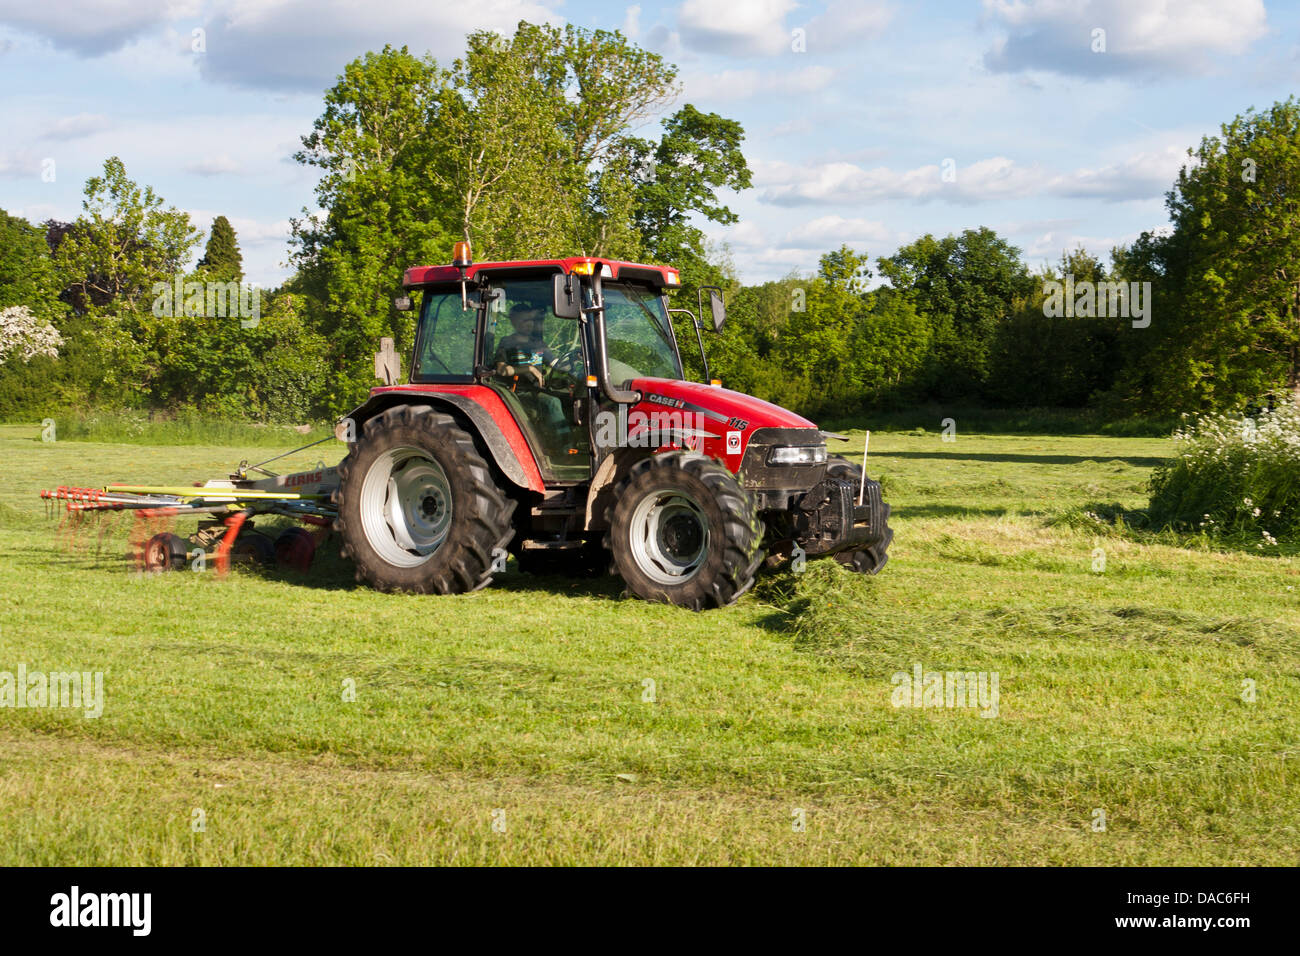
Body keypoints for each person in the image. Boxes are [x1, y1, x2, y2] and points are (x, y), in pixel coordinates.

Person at [493, 303, 556, 389]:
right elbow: (502, 370)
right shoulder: (507, 342)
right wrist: (530, 369)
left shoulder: (538, 343)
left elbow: (555, 363)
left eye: (531, 320)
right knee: (553, 402)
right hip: (518, 393)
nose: (529, 324)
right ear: (514, 322)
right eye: (524, 320)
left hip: (538, 390)